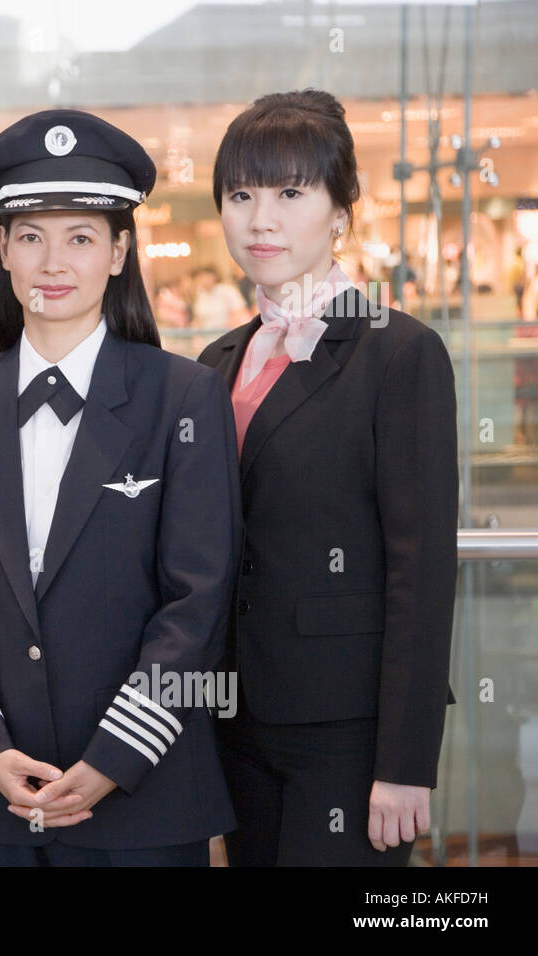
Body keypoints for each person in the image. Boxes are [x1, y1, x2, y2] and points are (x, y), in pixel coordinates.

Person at [0, 109, 240, 866]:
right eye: (30, 236)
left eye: (81, 237)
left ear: (121, 252)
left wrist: (115, 758)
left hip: (146, 793)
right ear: (3, 250)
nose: (52, 262)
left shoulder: (184, 396)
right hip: (0, 797)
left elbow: (199, 596)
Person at [197, 89, 458, 866]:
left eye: (289, 192)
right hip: (235, 724)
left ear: (342, 208)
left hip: (348, 735)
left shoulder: (398, 352)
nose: (260, 219)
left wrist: (407, 764)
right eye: (240, 195)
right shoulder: (216, 361)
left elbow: (422, 564)